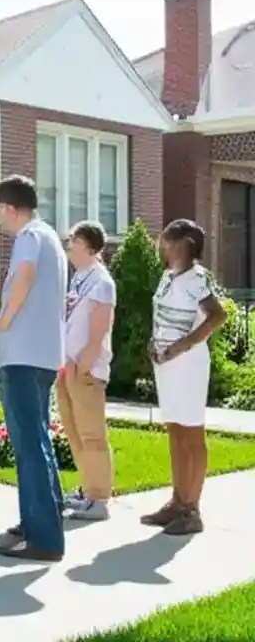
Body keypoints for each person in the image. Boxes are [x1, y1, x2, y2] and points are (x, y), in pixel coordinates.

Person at [0, 175, 67, 561]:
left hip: (22, 355)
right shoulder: (51, 238)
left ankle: (45, 538)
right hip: (41, 356)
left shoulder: (28, 239)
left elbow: (22, 279)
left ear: (8, 207)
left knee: (29, 446)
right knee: (38, 443)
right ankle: (40, 522)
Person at [141, 219, 227, 535]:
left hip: (188, 364)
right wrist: (156, 342)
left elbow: (218, 315)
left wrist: (183, 345)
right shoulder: (167, 277)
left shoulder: (197, 278)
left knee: (191, 433)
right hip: (166, 364)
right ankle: (177, 501)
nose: (161, 246)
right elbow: (161, 314)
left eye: (166, 241)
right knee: (175, 430)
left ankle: (192, 510)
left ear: (181, 244)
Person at [58, 221, 117, 521]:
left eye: (75, 242)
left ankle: (100, 498)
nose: (70, 246)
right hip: (68, 364)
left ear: (92, 248)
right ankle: (87, 490)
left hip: (86, 368)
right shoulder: (79, 278)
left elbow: (100, 327)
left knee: (92, 433)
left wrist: (85, 360)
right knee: (75, 431)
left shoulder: (102, 282)